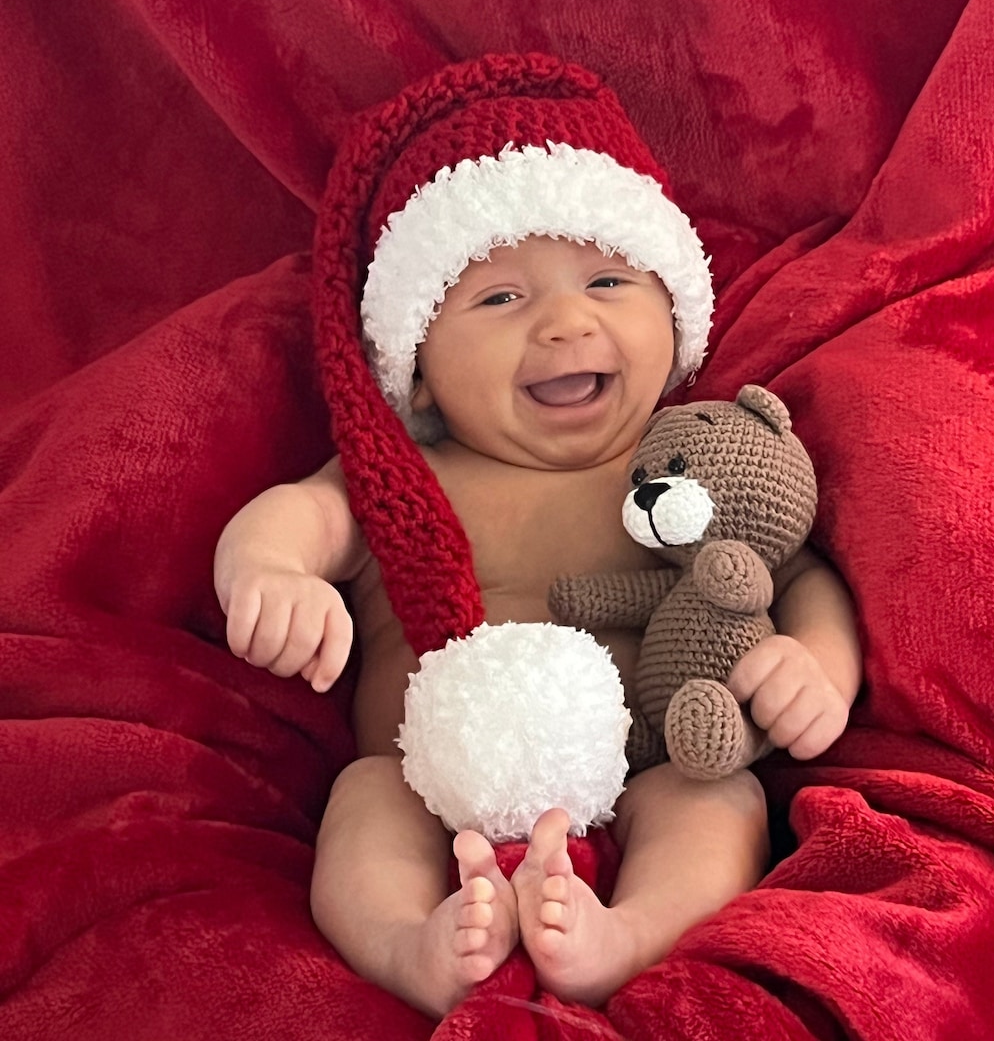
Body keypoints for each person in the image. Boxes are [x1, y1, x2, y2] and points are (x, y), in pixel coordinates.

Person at [213, 54, 862, 1020]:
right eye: (501, 298)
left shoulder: (679, 461)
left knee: (719, 801)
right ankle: (410, 945)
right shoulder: (405, 475)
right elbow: (297, 517)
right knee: (364, 800)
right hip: (435, 785)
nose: (566, 322)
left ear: (675, 316)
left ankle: (627, 935)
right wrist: (270, 570)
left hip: (649, 764)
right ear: (418, 366)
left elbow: (796, 571)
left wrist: (818, 669)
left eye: (607, 279)